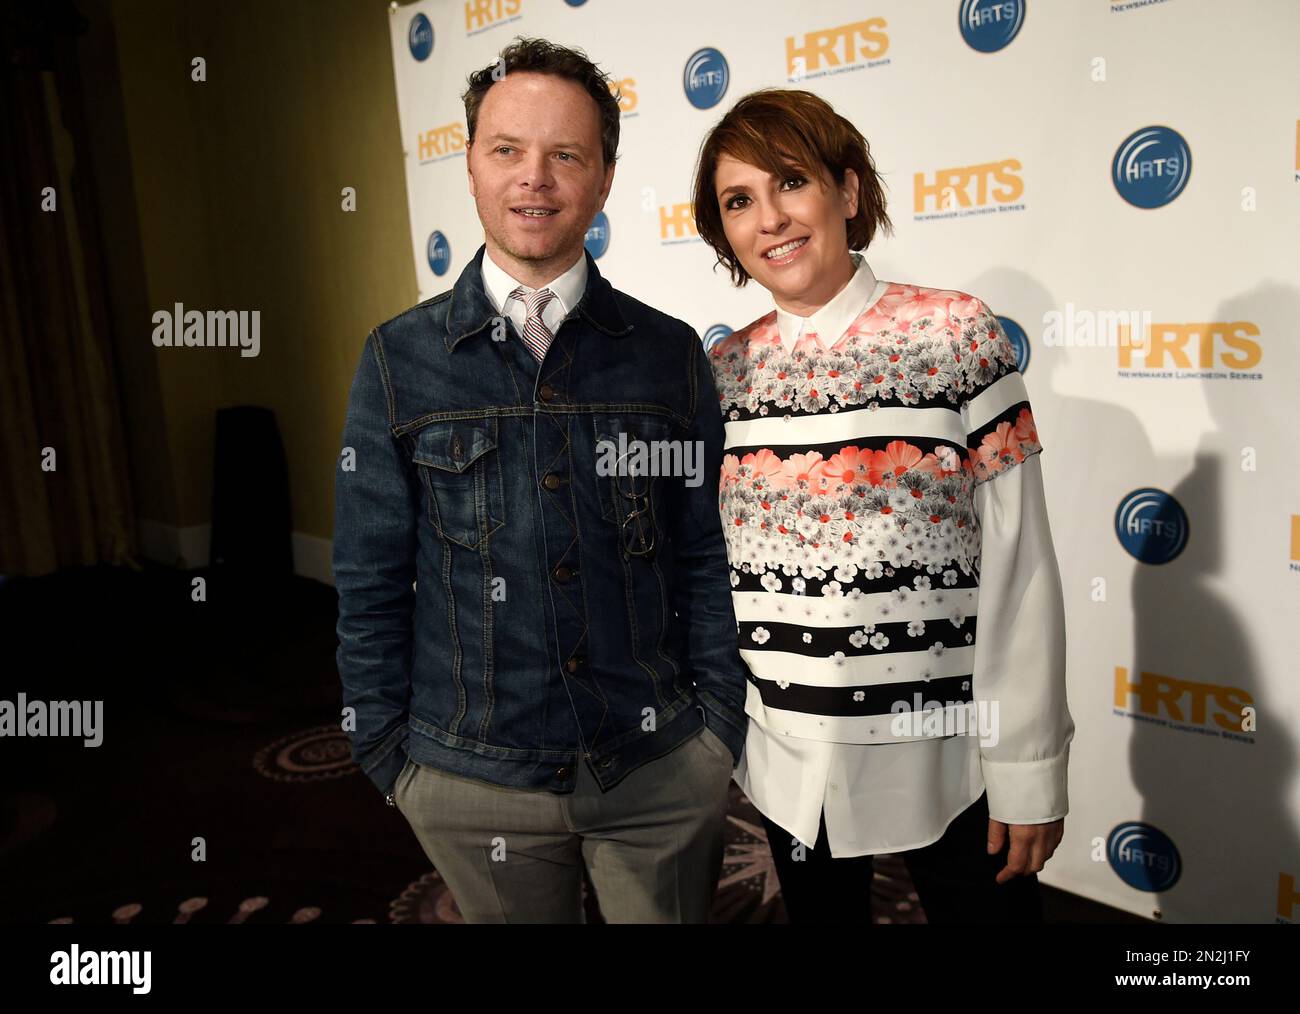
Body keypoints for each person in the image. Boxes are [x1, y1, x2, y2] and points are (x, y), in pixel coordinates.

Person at [333, 37, 747, 924]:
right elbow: (368, 577)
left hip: (659, 767)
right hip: (469, 778)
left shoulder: (668, 355)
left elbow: (703, 555)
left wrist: (716, 732)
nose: (536, 178)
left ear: (602, 178)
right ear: (472, 165)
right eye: (507, 150)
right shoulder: (398, 359)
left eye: (566, 154)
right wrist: (387, 755)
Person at [690, 88, 1074, 924]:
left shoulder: (958, 335)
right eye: (739, 201)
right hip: (788, 763)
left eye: (791, 182)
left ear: (849, 191)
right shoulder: (724, 373)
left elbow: (1022, 567)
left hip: (947, 755)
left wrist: (1029, 767)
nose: (770, 220)